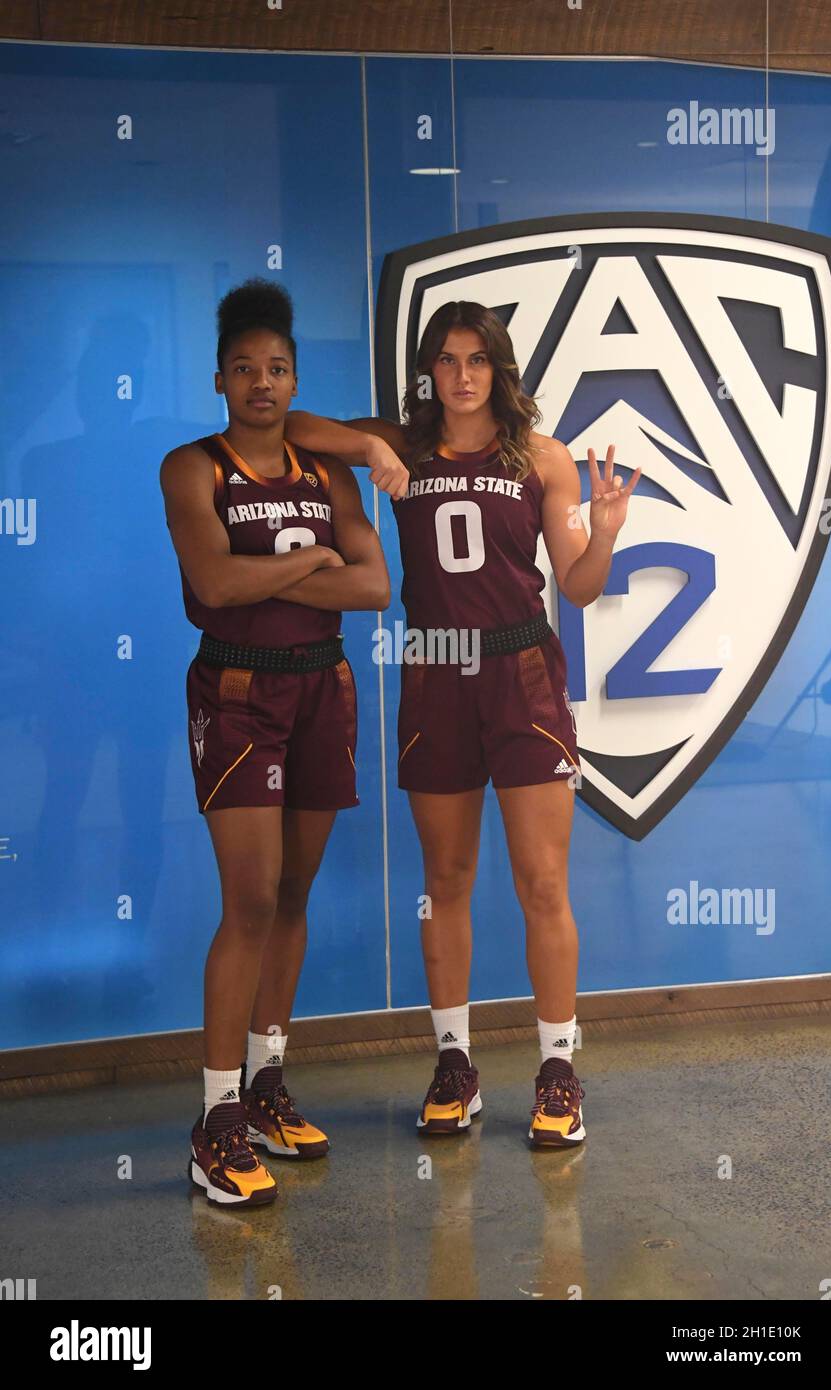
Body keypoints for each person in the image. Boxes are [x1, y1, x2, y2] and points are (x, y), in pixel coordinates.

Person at [284, 300, 640, 1147]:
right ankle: (454, 1062)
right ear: (428, 372)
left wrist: (607, 534)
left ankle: (557, 1066)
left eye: (477, 359)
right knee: (443, 880)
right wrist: (369, 445)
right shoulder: (404, 443)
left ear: (500, 368)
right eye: (445, 360)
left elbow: (580, 587)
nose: (462, 375)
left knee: (540, 883)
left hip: (521, 672)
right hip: (435, 668)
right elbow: (297, 424)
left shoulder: (539, 458)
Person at [160, 279, 390, 1204]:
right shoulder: (193, 468)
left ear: (296, 378)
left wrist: (276, 576)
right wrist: (307, 562)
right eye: (247, 368)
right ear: (220, 379)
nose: (263, 381)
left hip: (323, 688)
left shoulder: (326, 473)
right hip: (239, 688)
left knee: (293, 893)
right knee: (249, 899)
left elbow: (374, 589)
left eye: (279, 367)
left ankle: (263, 1084)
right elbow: (214, 588)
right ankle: (213, 1119)